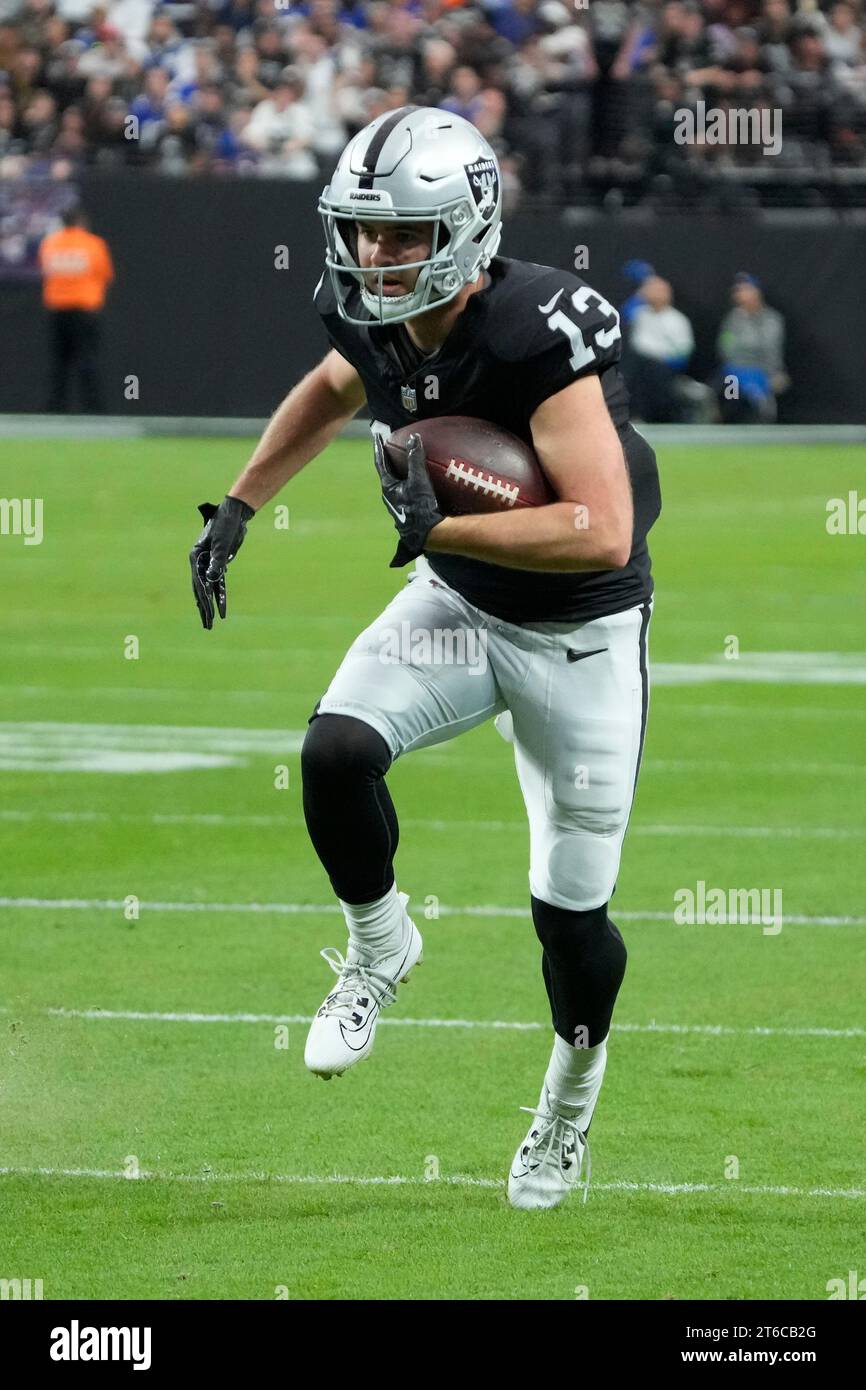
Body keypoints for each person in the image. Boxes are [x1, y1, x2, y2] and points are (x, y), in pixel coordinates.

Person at [189, 107, 661, 1212]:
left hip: (578, 633)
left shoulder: (533, 330)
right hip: (457, 605)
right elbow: (330, 387)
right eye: (362, 232)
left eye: (402, 236)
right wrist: (244, 505)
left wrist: (435, 529)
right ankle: (379, 947)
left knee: (570, 923)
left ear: (466, 227)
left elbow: (599, 529)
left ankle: (567, 1100)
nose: (374, 256)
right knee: (334, 750)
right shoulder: (367, 313)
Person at [38, 204, 114, 413]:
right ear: (80, 221)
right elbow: (105, 274)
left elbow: (46, 272)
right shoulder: (93, 244)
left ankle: (55, 407)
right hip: (84, 309)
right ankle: (93, 409)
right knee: (87, 360)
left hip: (57, 310)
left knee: (59, 363)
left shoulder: (50, 244)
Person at [716, 272, 789, 423]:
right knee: (732, 385)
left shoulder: (772, 319)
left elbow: (769, 349)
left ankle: (759, 404)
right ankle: (743, 409)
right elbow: (725, 347)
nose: (741, 294)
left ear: (756, 292)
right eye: (738, 291)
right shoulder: (733, 319)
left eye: (745, 290)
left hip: (763, 371)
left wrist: (773, 372)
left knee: (756, 381)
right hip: (735, 370)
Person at [624, 274, 698, 422]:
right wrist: (640, 295)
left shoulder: (678, 319)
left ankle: (661, 417)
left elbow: (684, 351)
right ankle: (634, 416)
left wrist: (662, 357)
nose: (655, 294)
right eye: (651, 290)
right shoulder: (640, 314)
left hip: (667, 365)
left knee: (654, 370)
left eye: (659, 290)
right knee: (631, 366)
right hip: (640, 365)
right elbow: (623, 316)